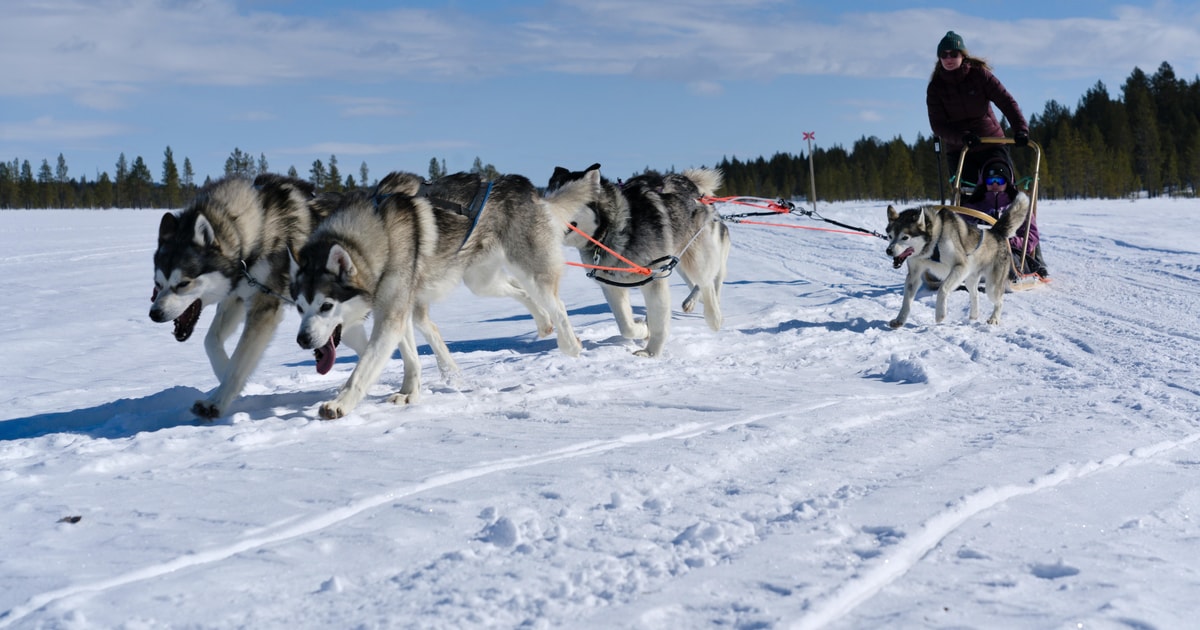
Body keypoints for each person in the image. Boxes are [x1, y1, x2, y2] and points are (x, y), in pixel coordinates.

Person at [926, 30, 1029, 194]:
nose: (948, 59)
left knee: (1000, 186)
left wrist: (1021, 129)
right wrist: (962, 137)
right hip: (960, 151)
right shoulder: (936, 87)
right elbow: (938, 125)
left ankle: (1011, 215)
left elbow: (1006, 101)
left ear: (963, 55)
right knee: (968, 197)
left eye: (953, 54)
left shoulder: (980, 75)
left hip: (991, 144)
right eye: (944, 55)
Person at [962, 156, 1049, 278]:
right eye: (990, 181)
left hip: (1010, 253)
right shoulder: (973, 205)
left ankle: (1003, 274)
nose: (995, 184)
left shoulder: (1019, 206)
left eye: (1000, 181)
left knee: (1004, 257)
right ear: (984, 183)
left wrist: (1009, 241)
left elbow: (1031, 239)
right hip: (976, 251)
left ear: (1007, 182)